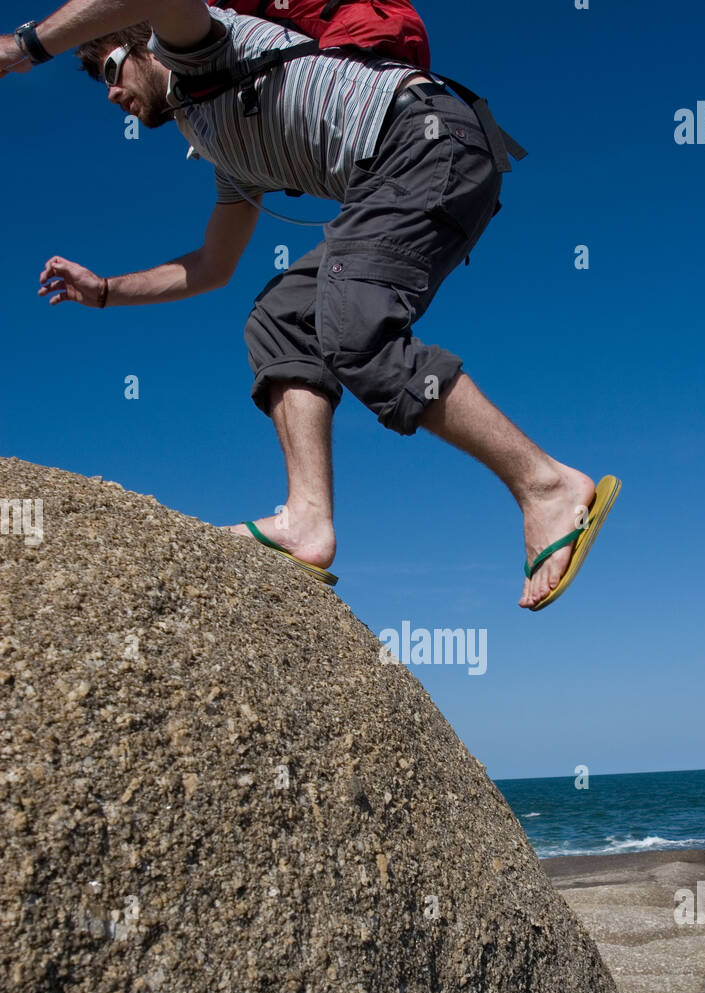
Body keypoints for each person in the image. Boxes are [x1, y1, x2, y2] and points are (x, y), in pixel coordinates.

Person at [0, 0, 619, 610]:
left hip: (425, 138)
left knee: (355, 325)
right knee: (281, 318)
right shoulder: (218, 141)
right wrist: (105, 290)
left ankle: (547, 485)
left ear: (148, 44)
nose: (111, 96)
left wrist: (27, 45)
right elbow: (214, 266)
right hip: (403, 168)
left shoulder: (201, 48)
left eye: (112, 70)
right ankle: (306, 520)